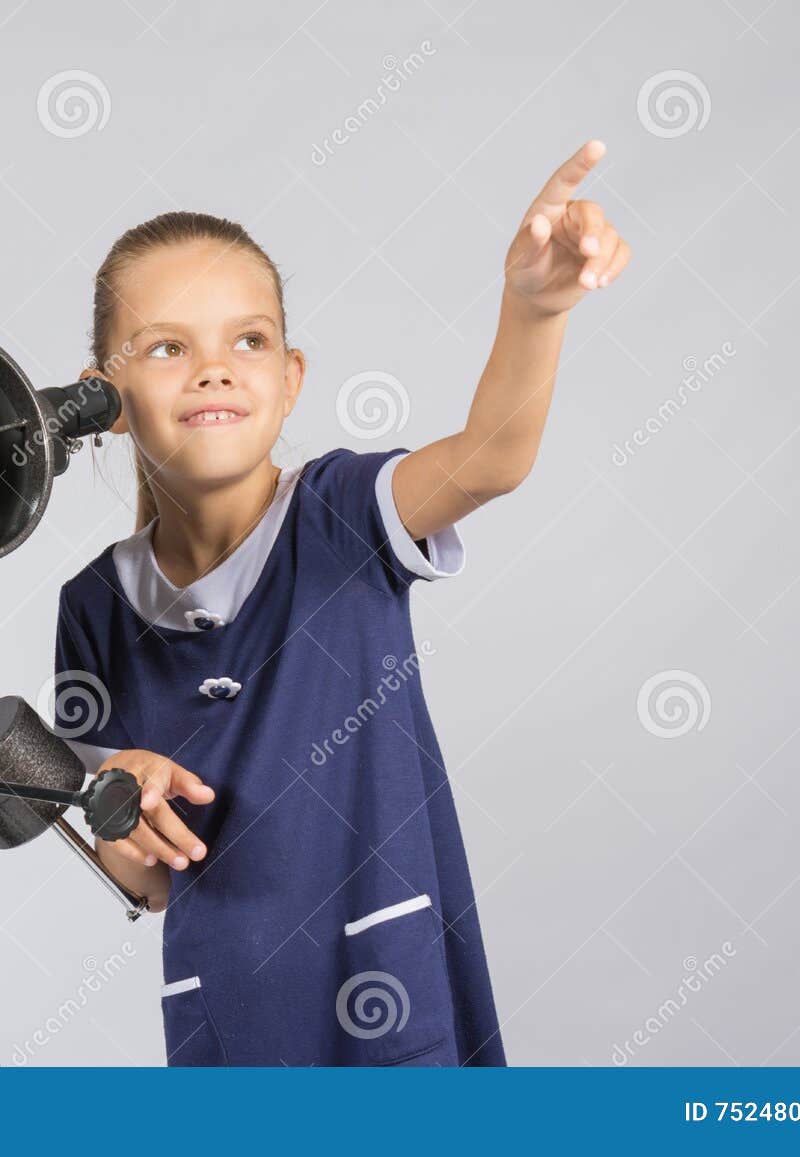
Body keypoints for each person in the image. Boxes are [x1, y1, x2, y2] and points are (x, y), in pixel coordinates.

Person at [51, 140, 631, 1065]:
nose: (215, 369)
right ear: (104, 401)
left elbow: (494, 456)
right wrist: (124, 793)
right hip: (227, 1009)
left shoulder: (343, 513)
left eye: (249, 340)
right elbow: (144, 877)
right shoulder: (95, 606)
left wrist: (535, 307)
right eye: (166, 348)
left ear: (292, 380)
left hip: (385, 991)